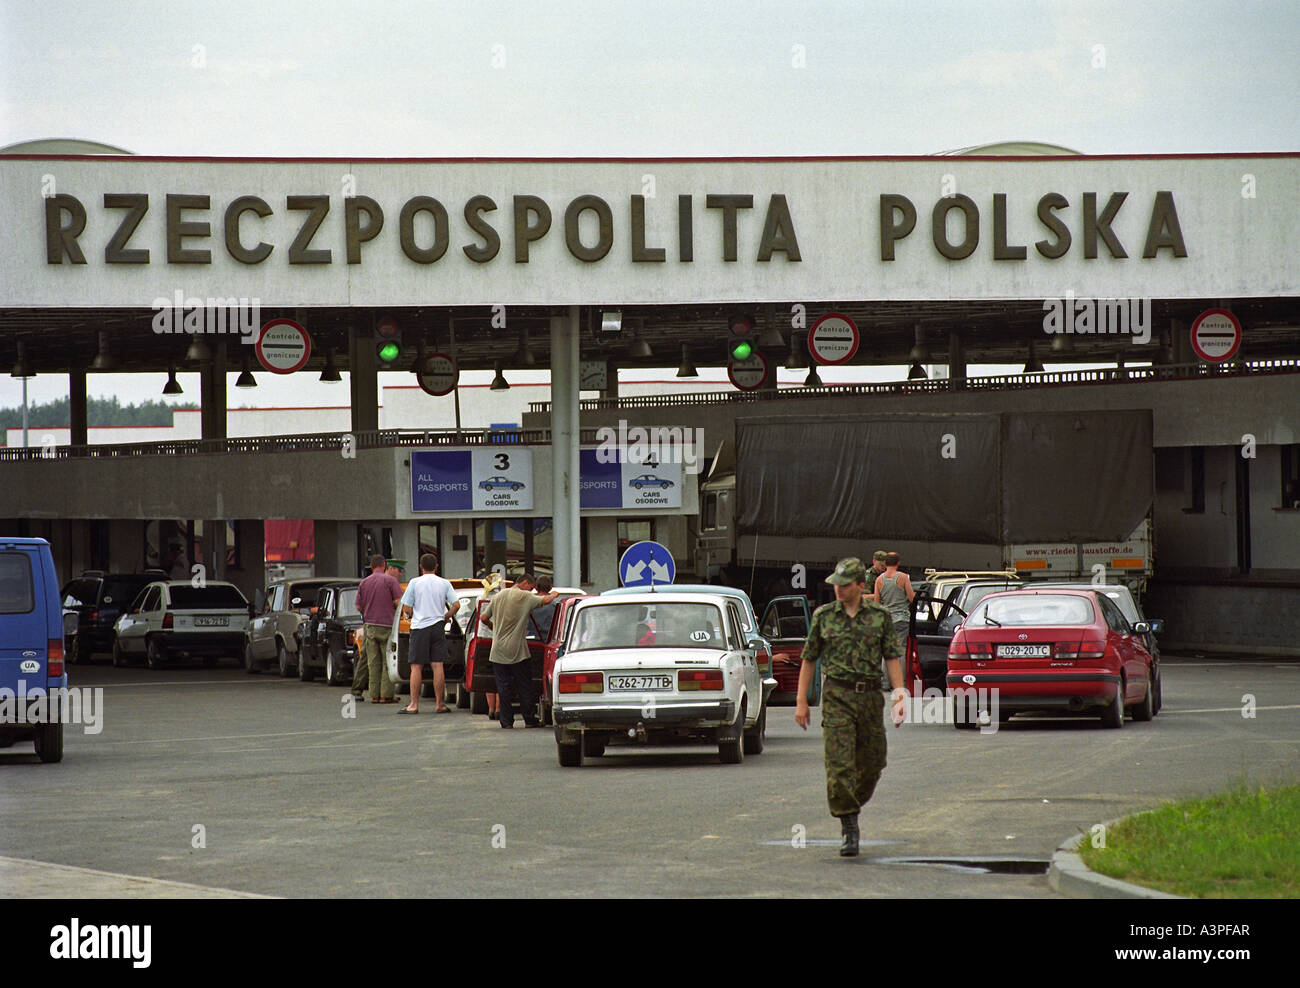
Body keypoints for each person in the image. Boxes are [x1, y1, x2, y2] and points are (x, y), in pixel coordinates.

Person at [796, 557, 906, 857]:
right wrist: (801, 701)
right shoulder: (824, 616)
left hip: (870, 698)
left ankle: (850, 805)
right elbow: (809, 658)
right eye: (836, 585)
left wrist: (899, 693)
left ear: (861, 585)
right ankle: (848, 824)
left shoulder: (880, 617)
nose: (838, 590)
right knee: (839, 765)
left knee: (873, 763)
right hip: (837, 698)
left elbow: (892, 657)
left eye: (845, 585)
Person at [481, 572, 558, 728]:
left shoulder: (499, 596)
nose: (530, 591)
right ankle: (529, 719)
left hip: (498, 650)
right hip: (518, 651)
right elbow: (547, 599)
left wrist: (494, 628)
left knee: (503, 687)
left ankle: (506, 721)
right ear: (524, 583)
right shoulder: (525, 596)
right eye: (530, 588)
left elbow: (483, 618)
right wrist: (555, 592)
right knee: (524, 685)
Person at [398, 552, 459, 714]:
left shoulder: (414, 583)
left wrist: (411, 614)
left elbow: (407, 608)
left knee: (416, 667)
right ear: (436, 566)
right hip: (437, 626)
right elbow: (457, 605)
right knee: (438, 664)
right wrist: (445, 617)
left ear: (421, 566)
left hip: (419, 627)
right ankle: (439, 704)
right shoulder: (444, 583)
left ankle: (414, 704)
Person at [355, 553, 402, 704]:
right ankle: (386, 695)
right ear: (384, 566)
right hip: (387, 625)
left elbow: (358, 606)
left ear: (372, 566)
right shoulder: (390, 581)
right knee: (387, 661)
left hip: (370, 626)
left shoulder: (364, 582)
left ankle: (374, 695)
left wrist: (367, 612)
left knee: (373, 661)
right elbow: (397, 602)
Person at [874, 552, 915, 668]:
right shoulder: (903, 577)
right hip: (901, 619)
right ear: (898, 563)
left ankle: (885, 683)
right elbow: (912, 598)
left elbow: (876, 602)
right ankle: (899, 682)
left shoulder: (879, 580)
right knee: (900, 651)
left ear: (885, 563)